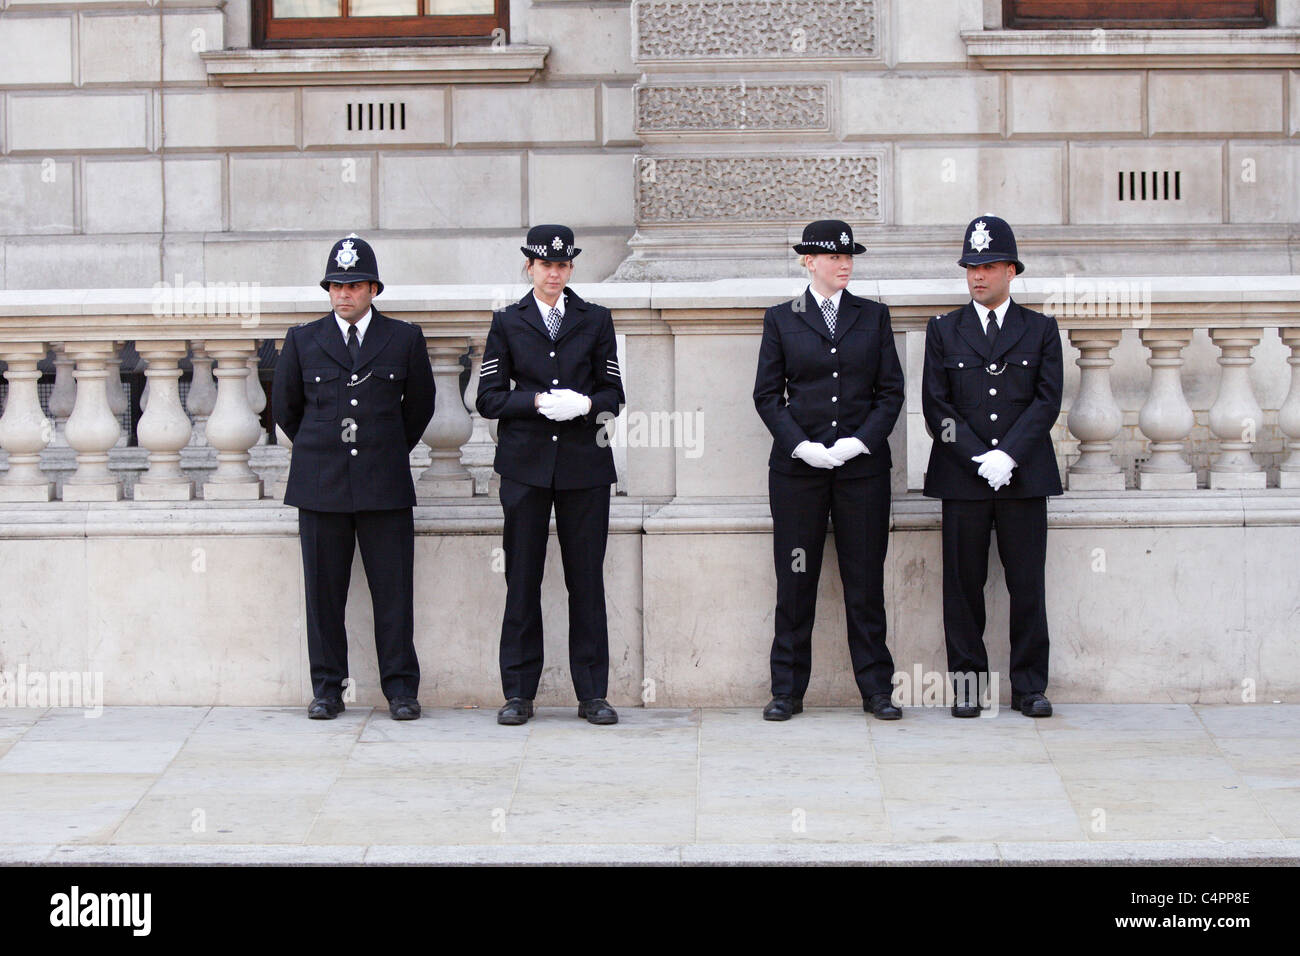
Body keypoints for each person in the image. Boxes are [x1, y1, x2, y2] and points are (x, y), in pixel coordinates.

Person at [271, 234, 436, 721]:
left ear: (373, 289)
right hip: (320, 485)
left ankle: (401, 691)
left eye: (354, 285)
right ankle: (327, 690)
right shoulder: (303, 339)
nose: (344, 294)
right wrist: (325, 452)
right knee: (323, 597)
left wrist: (385, 451)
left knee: (394, 594)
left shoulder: (403, 338)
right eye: (336, 285)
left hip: (384, 485)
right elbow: (286, 409)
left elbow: (420, 407)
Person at [753, 220, 905, 722]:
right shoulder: (782, 318)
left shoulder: (873, 316)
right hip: (799, 473)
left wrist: (859, 442)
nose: (844, 264)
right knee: (796, 580)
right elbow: (767, 396)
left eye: (849, 257)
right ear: (808, 262)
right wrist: (802, 447)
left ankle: (877, 689)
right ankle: (787, 690)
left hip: (862, 471)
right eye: (834, 257)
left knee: (864, 580)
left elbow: (890, 393)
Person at [476, 225, 626, 726]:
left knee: (586, 581)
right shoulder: (508, 321)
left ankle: (592, 694)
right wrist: (536, 401)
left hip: (584, 465)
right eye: (546, 266)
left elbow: (613, 395)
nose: (554, 273)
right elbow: (489, 397)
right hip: (526, 467)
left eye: (562, 266)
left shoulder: (595, 318)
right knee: (522, 579)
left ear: (570, 269)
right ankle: (518, 692)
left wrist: (585, 403)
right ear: (530, 267)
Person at [921, 216, 1063, 718]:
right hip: (964, 478)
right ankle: (966, 687)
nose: (977, 275)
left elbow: (1046, 403)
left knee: (1027, 585)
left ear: (1010, 270)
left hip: (1024, 477)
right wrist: (981, 457)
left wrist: (1010, 455)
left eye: (988, 266)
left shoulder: (1041, 330)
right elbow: (936, 408)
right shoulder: (943, 330)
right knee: (962, 587)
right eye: (971, 266)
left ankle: (1029, 687)